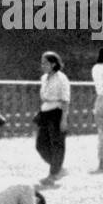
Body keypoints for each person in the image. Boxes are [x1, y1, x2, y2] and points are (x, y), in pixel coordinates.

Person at [35, 51, 70, 185]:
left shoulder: (62, 78)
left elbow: (66, 99)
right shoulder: (44, 78)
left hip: (57, 111)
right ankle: (58, 168)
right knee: (41, 145)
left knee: (57, 144)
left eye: (45, 63)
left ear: (53, 64)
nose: (42, 65)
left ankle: (53, 174)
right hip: (45, 111)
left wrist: (64, 119)